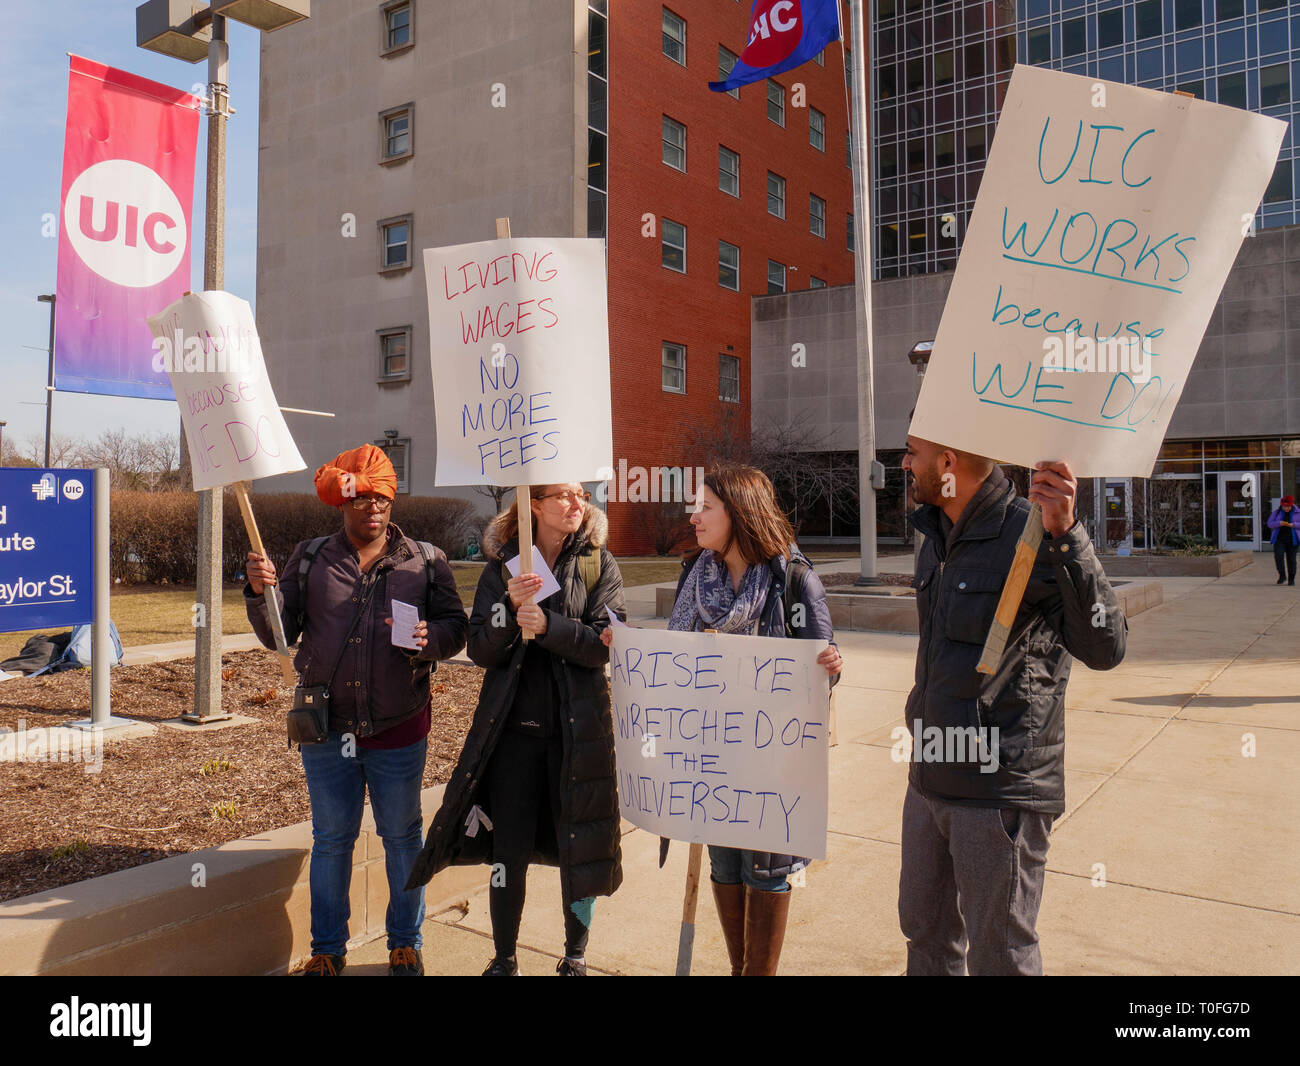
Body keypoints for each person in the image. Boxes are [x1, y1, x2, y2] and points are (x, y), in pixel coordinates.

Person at [898, 439, 1127, 976]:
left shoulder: (1034, 532)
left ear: (949, 463)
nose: (903, 464)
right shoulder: (934, 537)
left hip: (998, 789)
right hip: (930, 776)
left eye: (912, 453)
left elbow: (1106, 646)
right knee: (924, 936)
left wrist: (1067, 537)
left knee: (1000, 956)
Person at [244, 444, 468, 977]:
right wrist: (259, 594)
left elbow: (456, 628)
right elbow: (282, 633)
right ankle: (327, 950)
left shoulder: (426, 559)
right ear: (343, 502)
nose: (373, 509)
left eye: (382, 500)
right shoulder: (312, 555)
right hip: (327, 729)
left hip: (399, 726)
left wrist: (429, 637)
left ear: (392, 502)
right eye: (363, 499)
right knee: (332, 839)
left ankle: (405, 942)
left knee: (402, 837)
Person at [405, 483, 626, 976]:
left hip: (578, 734)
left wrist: (548, 627)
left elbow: (606, 645)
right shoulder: (501, 569)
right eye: (564, 495)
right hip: (512, 738)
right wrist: (508, 608)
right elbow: (481, 650)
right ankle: (504, 958)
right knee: (509, 853)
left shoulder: (597, 563)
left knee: (581, 850)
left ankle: (575, 956)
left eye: (582, 495)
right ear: (534, 505)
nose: (578, 504)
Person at [629, 464, 840, 977]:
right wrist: (632, 649)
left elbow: (818, 674)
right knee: (723, 865)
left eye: (706, 507)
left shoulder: (793, 581)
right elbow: (676, 661)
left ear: (739, 513)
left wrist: (830, 664)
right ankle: (738, 967)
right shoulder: (695, 576)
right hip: (712, 758)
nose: (694, 516)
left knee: (765, 870)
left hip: (772, 764)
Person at [1267, 494, 1298, 586]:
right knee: (1278, 556)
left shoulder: (1298, 512)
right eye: (1284, 506)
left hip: (1293, 540)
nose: (1286, 508)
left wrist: (1294, 525)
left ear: (1292, 505)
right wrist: (1279, 523)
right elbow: (1270, 524)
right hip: (1279, 539)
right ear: (1282, 505)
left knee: (1291, 560)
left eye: (1288, 506)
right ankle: (1282, 575)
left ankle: (1291, 579)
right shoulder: (1276, 512)